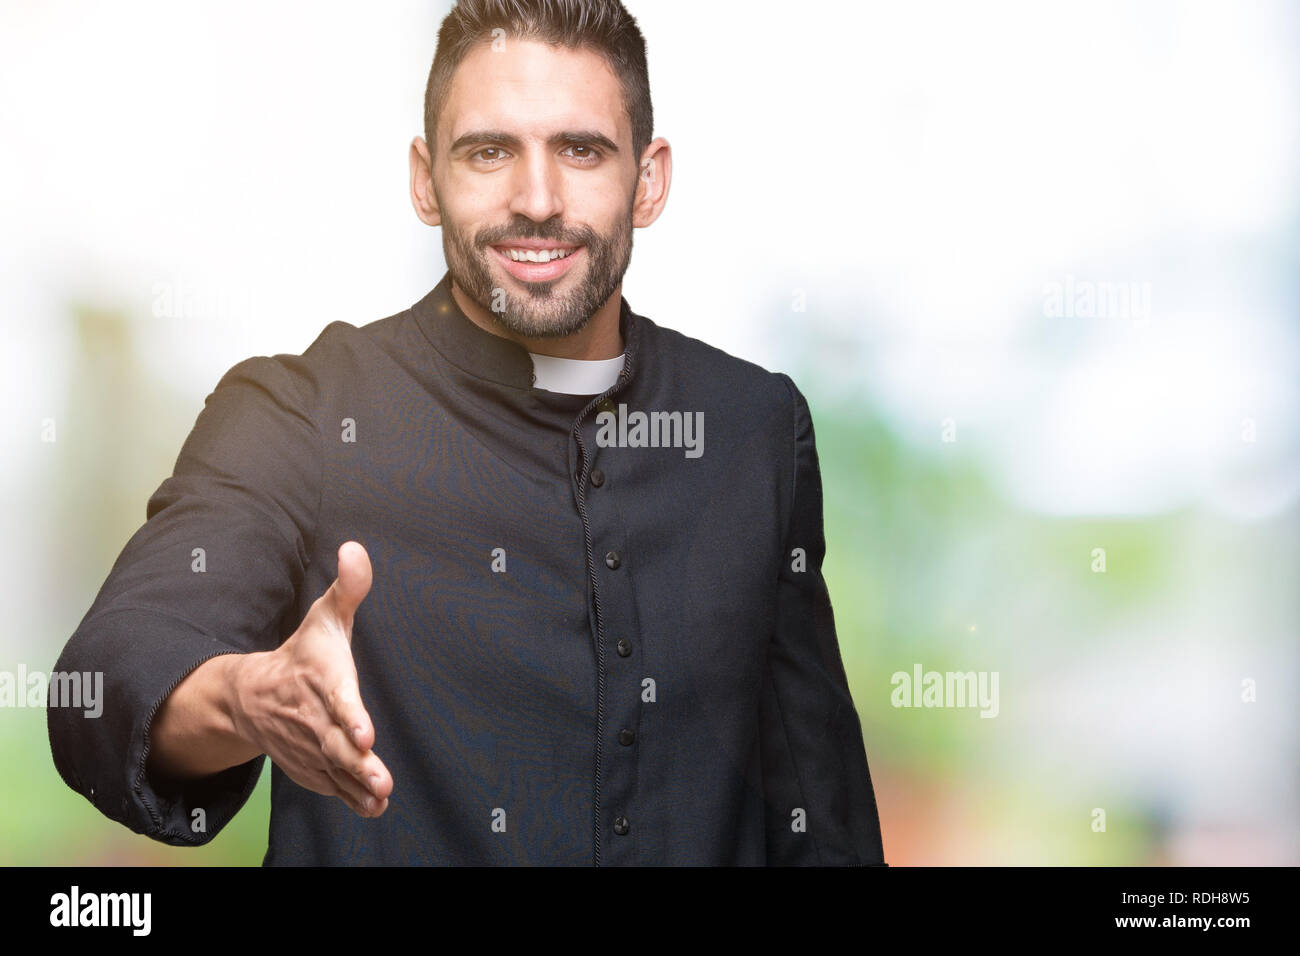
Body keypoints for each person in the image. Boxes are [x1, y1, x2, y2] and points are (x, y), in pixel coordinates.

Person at [47, 0, 887, 866]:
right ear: (425, 179)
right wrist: (249, 698)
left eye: (581, 149)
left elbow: (823, 816)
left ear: (649, 179)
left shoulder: (753, 428)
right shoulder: (298, 412)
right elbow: (103, 680)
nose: (537, 200)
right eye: (490, 151)